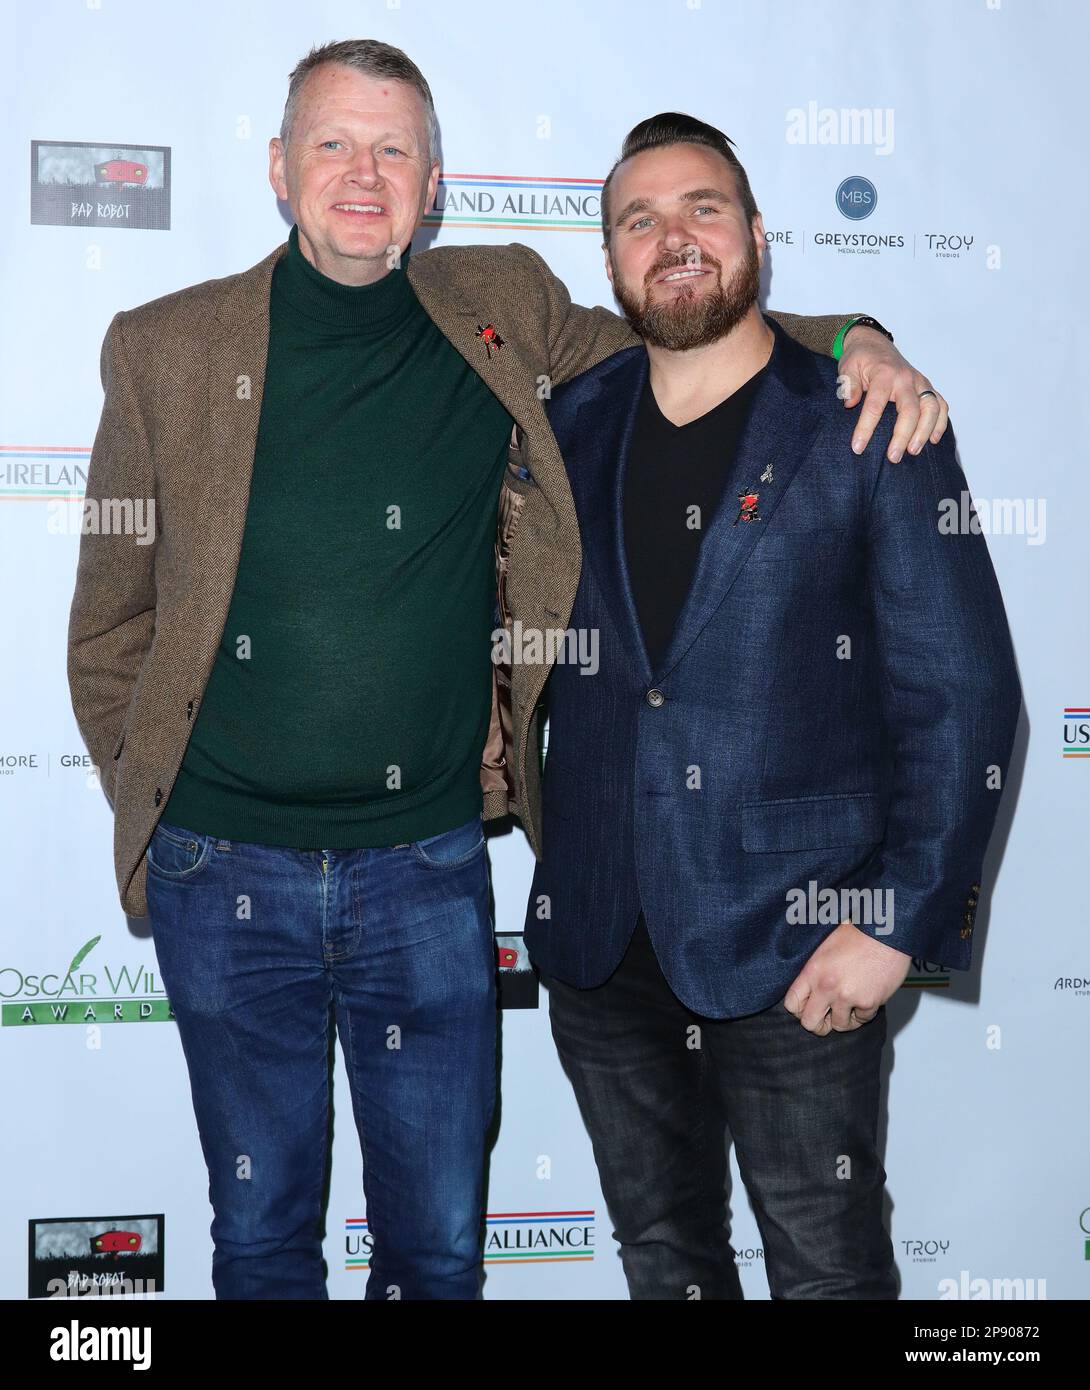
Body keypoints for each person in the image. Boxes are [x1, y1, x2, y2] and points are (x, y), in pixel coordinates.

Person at [67, 39, 947, 1301]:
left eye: (393, 149)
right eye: (332, 143)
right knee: (259, 1243)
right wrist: (160, 793)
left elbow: (693, 338)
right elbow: (109, 627)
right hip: (223, 875)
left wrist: (858, 334)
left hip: (425, 873)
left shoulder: (504, 305)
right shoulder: (164, 349)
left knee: (436, 1250)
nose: (362, 174)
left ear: (435, 183)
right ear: (277, 167)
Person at [509, 112, 1021, 1299]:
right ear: (610, 262)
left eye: (703, 209)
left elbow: (967, 693)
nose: (672, 237)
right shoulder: (565, 430)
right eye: (639, 219)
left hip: (801, 942)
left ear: (755, 237)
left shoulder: (867, 419)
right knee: (665, 1261)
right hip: (599, 941)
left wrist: (894, 922)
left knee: (826, 1271)